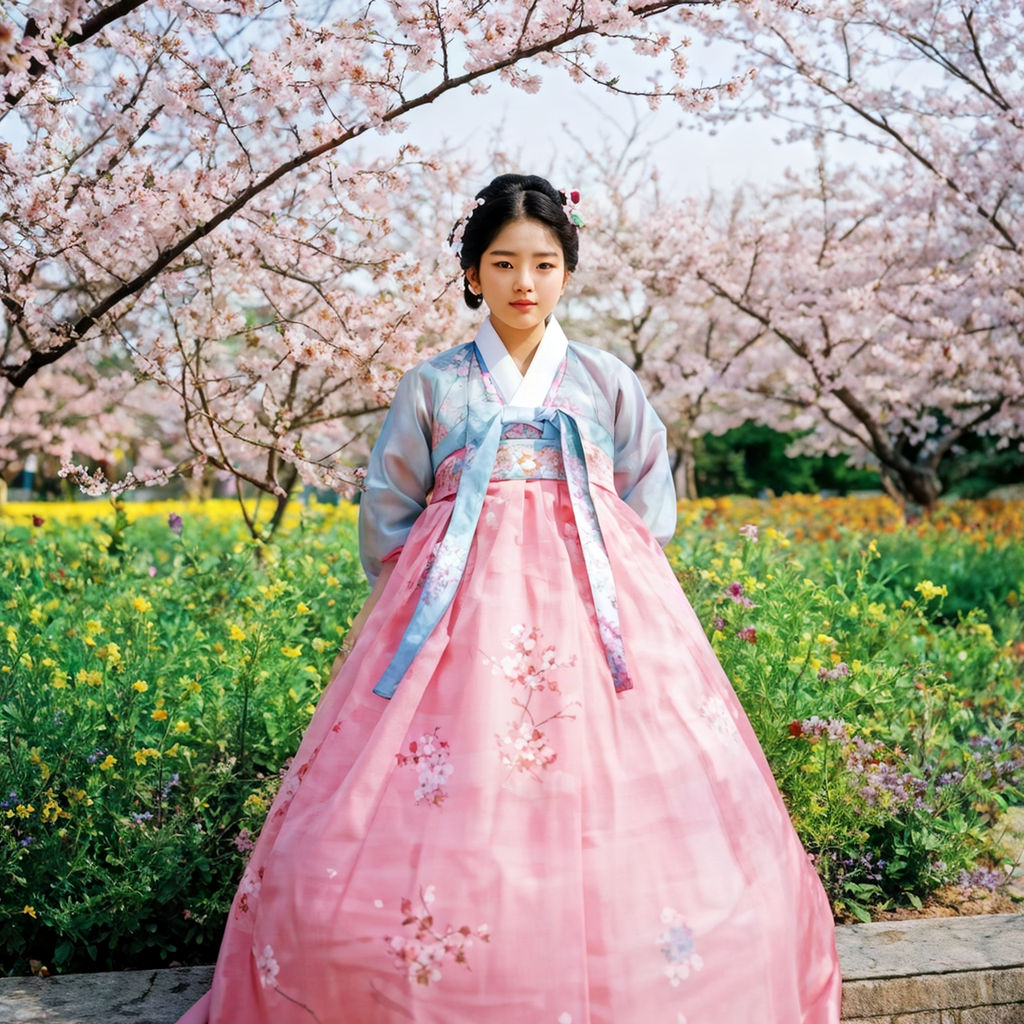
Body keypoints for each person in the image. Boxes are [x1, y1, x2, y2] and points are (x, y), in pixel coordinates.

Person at [177, 173, 841, 1024]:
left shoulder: (604, 381)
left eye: (544, 263)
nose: (523, 282)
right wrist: (414, 603)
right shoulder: (433, 384)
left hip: (600, 608)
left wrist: (622, 581)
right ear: (471, 274)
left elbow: (649, 503)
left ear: (568, 271)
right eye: (502, 263)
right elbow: (389, 507)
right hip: (453, 618)